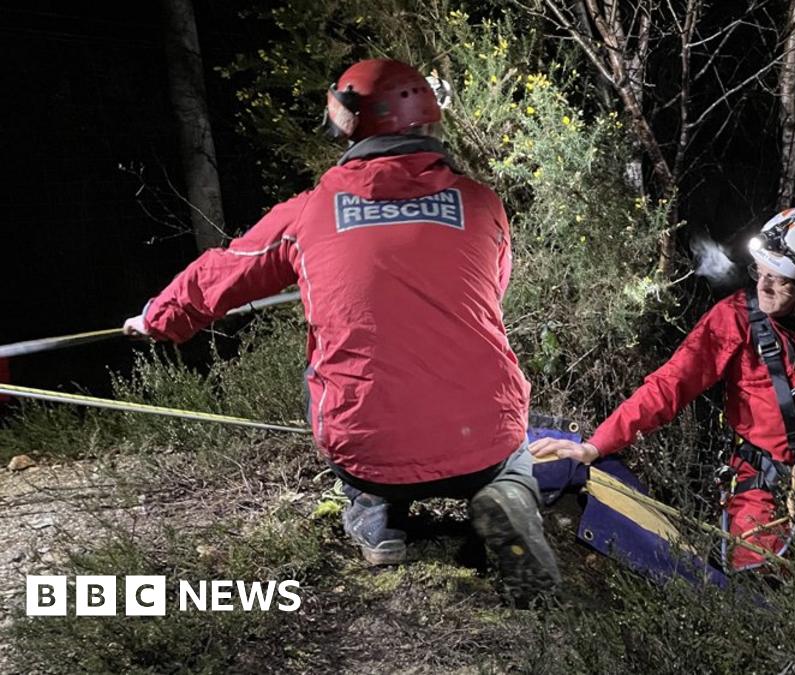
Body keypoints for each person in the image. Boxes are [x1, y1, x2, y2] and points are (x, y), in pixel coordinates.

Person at [123, 58, 559, 605]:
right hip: (482, 441)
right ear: (430, 120)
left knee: (330, 370)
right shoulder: (481, 203)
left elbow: (223, 271)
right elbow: (492, 293)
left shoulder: (308, 213)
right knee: (504, 434)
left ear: (349, 128)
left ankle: (377, 517)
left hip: (371, 450)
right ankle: (508, 492)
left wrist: (158, 318)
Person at [530, 207, 795, 572]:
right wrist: (596, 445)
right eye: (760, 272)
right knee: (756, 588)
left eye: (778, 279)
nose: (763, 286)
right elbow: (669, 386)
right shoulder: (735, 319)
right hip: (762, 494)